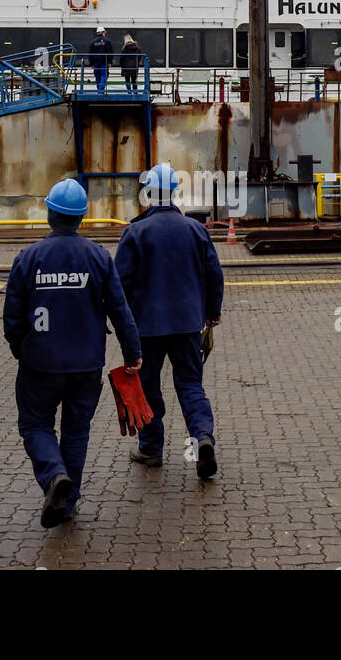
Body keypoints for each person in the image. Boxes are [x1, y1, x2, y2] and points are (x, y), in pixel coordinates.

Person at [4, 178, 142, 527]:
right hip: (86, 364)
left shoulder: (28, 258)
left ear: (50, 213)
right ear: (81, 217)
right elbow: (119, 309)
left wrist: (20, 349)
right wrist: (132, 352)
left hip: (40, 363)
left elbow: (12, 316)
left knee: (35, 425)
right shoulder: (97, 256)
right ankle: (68, 502)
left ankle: (53, 477)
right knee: (77, 432)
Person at [114, 163, 224, 480]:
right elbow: (214, 275)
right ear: (175, 191)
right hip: (188, 325)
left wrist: (120, 325)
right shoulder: (195, 230)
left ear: (148, 192)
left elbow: (119, 284)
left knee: (147, 388)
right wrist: (212, 311)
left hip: (146, 328)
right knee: (191, 385)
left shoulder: (135, 232)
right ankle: (203, 437)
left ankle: (150, 449)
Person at [87, 27, 114, 92]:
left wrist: (91, 63)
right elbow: (110, 52)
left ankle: (99, 90)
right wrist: (110, 62)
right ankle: (100, 90)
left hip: (96, 63)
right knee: (104, 76)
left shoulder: (93, 42)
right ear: (103, 32)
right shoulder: (107, 41)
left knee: (97, 77)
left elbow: (90, 53)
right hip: (104, 62)